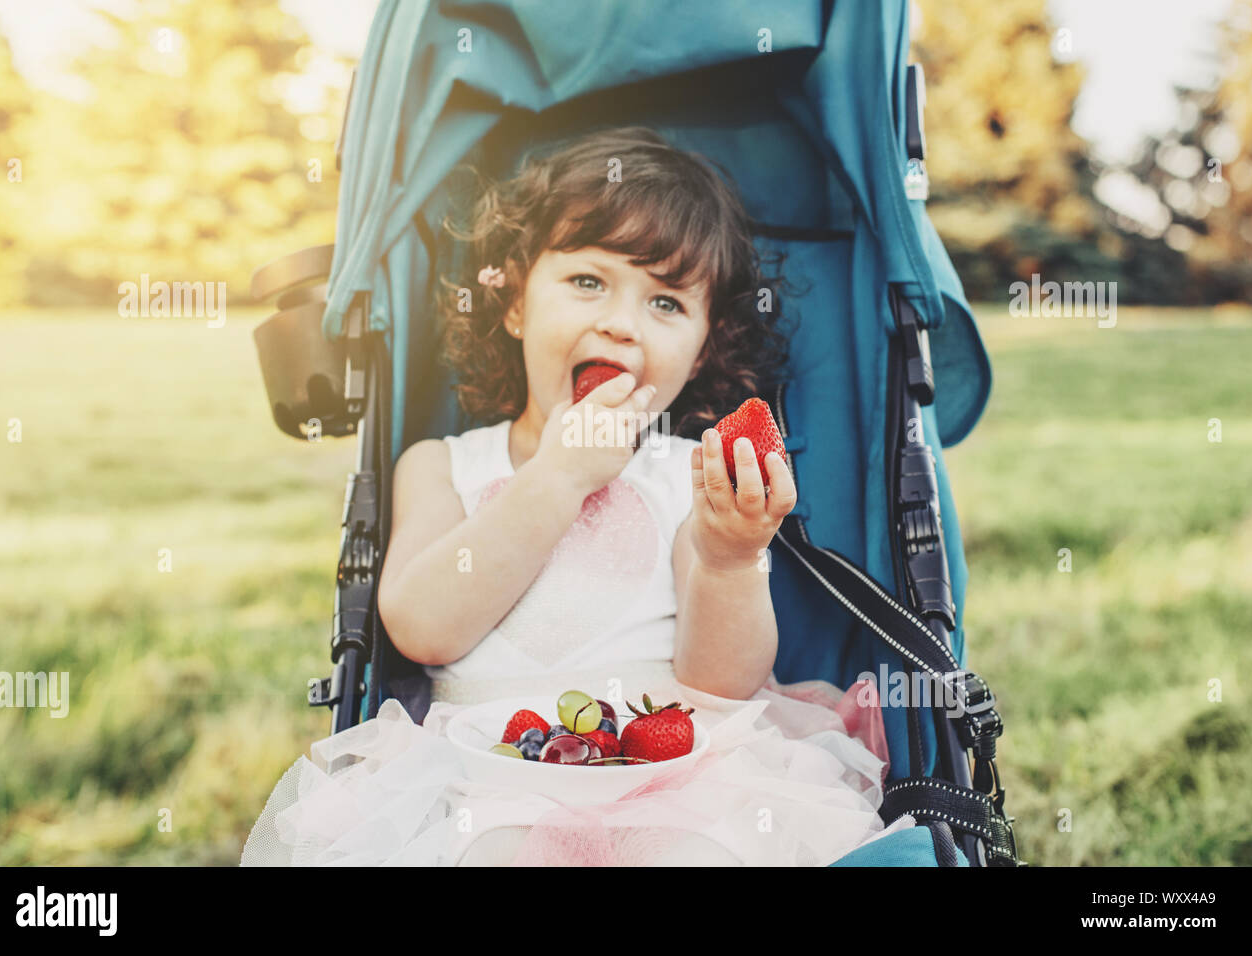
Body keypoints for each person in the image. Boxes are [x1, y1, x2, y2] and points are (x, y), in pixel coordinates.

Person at [240, 126, 915, 866]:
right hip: (486, 779)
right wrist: (556, 477)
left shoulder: (684, 471)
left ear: (699, 350)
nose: (620, 323)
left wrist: (730, 557)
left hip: (679, 778)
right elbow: (422, 628)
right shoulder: (443, 465)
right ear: (516, 305)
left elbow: (724, 682)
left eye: (665, 304)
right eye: (588, 282)